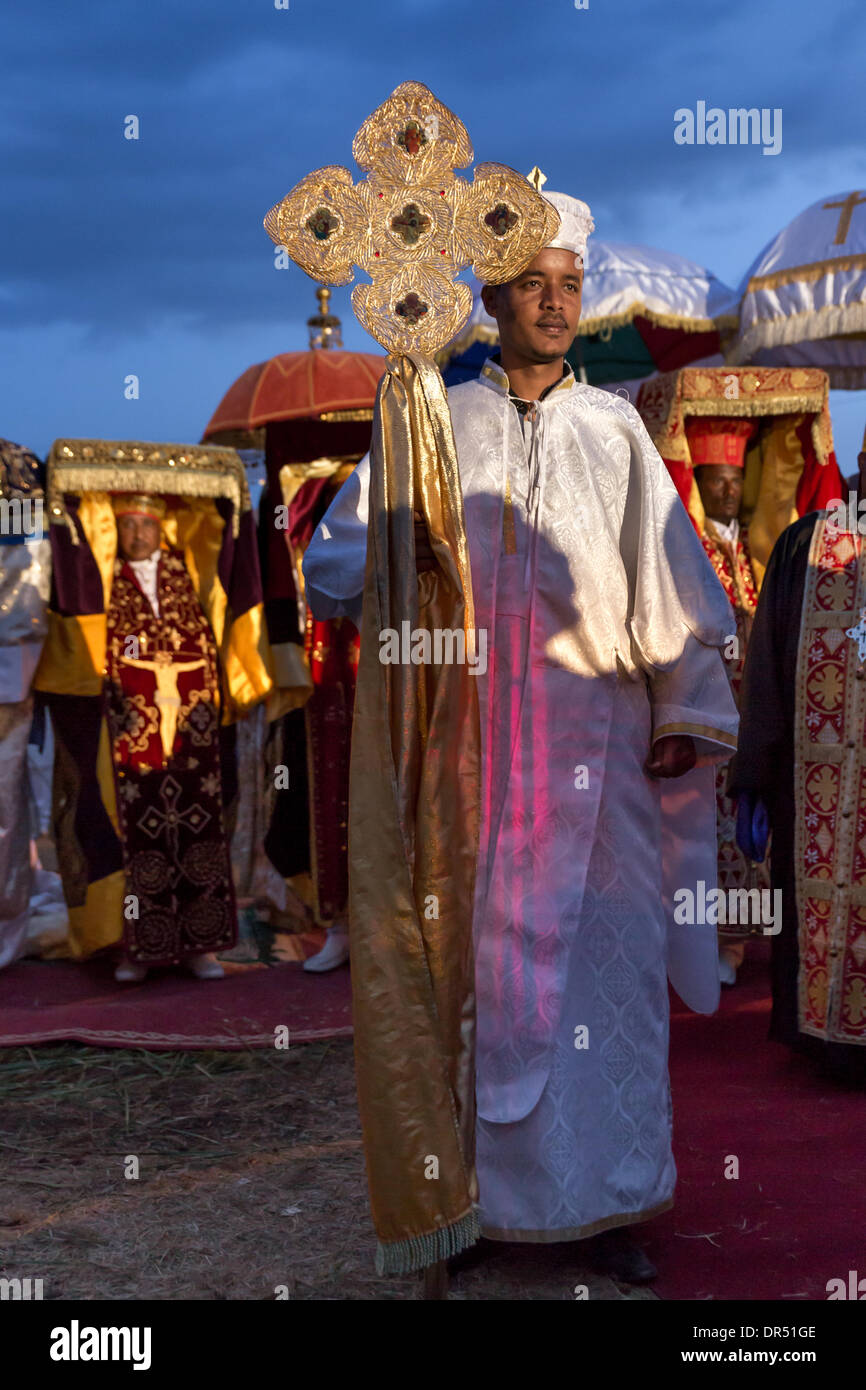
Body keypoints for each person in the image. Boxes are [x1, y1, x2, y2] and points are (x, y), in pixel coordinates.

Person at [303, 190, 739, 1282]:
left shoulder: (613, 430)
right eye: (531, 283)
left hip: (607, 772)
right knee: (479, 980)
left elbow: (673, 582)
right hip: (474, 774)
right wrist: (400, 497)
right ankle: (472, 1209)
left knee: (609, 978)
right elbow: (336, 570)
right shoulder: (439, 425)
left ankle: (611, 1206)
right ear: (489, 294)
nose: (553, 302)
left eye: (568, 284)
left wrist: (682, 711)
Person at [36, 452, 274, 985]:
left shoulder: (184, 581)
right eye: (127, 526)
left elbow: (203, 648)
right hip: (132, 736)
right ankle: (133, 948)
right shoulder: (109, 587)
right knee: (132, 837)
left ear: (159, 528)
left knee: (197, 835)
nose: (137, 535)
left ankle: (200, 946)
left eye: (145, 525)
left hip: (192, 735)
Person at [730, 447, 866, 1079]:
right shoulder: (806, 544)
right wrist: (752, 773)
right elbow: (766, 663)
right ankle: (826, 1038)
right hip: (818, 789)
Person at [689, 420, 763, 985]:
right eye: (718, 480)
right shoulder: (692, 545)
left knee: (745, 824)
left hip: (751, 715)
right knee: (708, 830)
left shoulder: (752, 551)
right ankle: (711, 941)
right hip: (710, 713)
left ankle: (741, 942)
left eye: (735, 480)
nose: (728, 490)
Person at [0, 438, 51, 968]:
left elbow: (28, 590)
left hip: (5, 672)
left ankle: (5, 930)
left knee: (4, 808)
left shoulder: (13, 469)